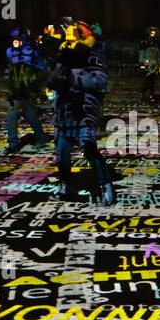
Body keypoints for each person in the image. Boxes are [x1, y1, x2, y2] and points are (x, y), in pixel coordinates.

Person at [48, 21, 112, 203]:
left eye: (72, 34)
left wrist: (74, 80)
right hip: (63, 113)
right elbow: (52, 79)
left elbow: (100, 82)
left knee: (90, 150)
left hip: (84, 111)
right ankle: (65, 185)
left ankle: (105, 187)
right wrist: (53, 85)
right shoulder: (62, 58)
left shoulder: (91, 56)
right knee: (62, 151)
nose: (68, 38)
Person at [5, 26, 49, 152]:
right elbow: (9, 69)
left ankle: (40, 137)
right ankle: (13, 144)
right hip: (15, 90)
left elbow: (40, 69)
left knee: (30, 115)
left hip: (28, 90)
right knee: (14, 115)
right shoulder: (9, 51)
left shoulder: (32, 51)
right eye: (13, 38)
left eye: (17, 38)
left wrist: (36, 87)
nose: (15, 40)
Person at [138, 26, 160, 100]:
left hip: (155, 65)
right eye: (152, 33)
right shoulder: (144, 42)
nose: (153, 34)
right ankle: (144, 93)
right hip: (148, 64)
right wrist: (142, 64)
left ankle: (150, 94)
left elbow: (159, 56)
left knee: (153, 81)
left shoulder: (156, 43)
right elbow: (141, 53)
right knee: (148, 80)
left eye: (154, 33)